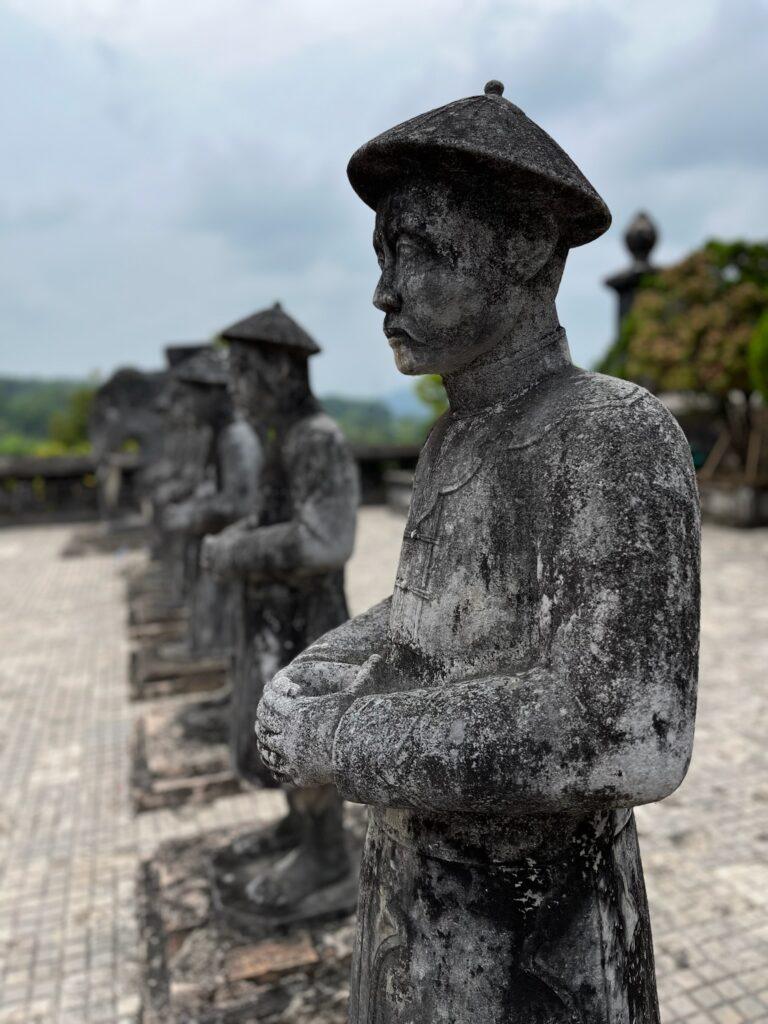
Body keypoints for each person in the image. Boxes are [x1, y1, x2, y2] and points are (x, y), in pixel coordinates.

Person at [256, 82, 700, 1022]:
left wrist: (333, 734)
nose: (385, 290)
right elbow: (427, 611)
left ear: (529, 244)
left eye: (414, 248)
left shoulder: (612, 434)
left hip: (538, 937)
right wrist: (319, 665)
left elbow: (623, 728)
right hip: (412, 895)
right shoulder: (453, 440)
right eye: (381, 254)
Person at [201, 303, 360, 914]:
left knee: (302, 736)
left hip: (307, 617)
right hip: (275, 613)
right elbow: (273, 516)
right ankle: (302, 833)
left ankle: (327, 857)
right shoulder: (282, 439)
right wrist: (239, 537)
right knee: (274, 733)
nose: (235, 388)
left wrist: (238, 550)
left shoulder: (316, 439)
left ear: (280, 373)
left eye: (244, 372)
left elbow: (326, 538)